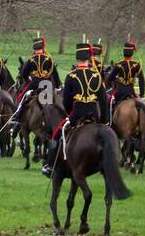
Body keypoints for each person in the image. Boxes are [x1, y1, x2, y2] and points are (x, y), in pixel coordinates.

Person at [42, 43, 103, 177]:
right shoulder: (97, 75)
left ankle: (50, 166)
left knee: (57, 133)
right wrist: (104, 121)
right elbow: (103, 100)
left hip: (77, 114)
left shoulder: (71, 76)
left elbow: (66, 100)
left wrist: (70, 113)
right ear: (88, 58)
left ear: (77, 59)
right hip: (95, 115)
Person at [105, 40, 145, 108]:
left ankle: (110, 118)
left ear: (123, 52)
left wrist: (110, 91)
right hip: (131, 93)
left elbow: (109, 79)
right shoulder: (137, 65)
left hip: (119, 93)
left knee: (109, 105)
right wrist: (141, 95)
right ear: (132, 53)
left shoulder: (118, 64)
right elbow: (142, 80)